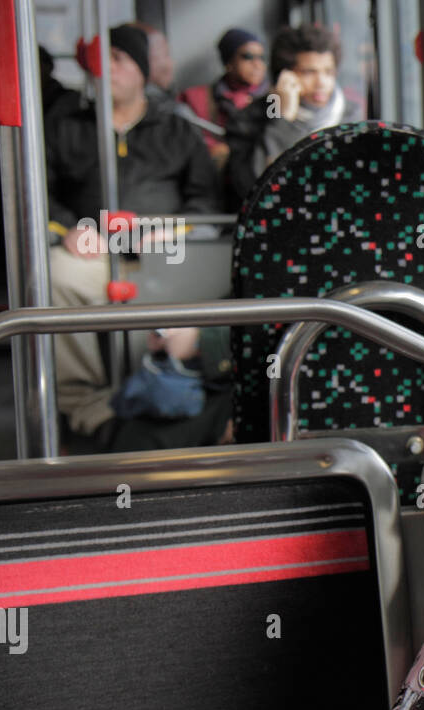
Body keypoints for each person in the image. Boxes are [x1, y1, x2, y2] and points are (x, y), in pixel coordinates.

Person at [44, 23, 223, 449]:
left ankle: (178, 394)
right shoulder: (68, 126)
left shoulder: (177, 130)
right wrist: (70, 230)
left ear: (142, 71)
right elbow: (42, 194)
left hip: (167, 249)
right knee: (58, 275)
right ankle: (89, 409)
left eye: (119, 59)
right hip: (93, 251)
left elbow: (205, 200)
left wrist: (173, 231)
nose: (107, 69)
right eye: (100, 60)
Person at [224, 24, 363, 205]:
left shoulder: (349, 114)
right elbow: (251, 187)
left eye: (328, 72)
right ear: (285, 75)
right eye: (309, 72)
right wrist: (284, 119)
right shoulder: (249, 118)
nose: (321, 82)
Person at [177, 28, 270, 171]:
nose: (257, 64)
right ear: (229, 62)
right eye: (248, 56)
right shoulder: (197, 98)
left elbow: (277, 131)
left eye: (261, 58)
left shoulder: (274, 98)